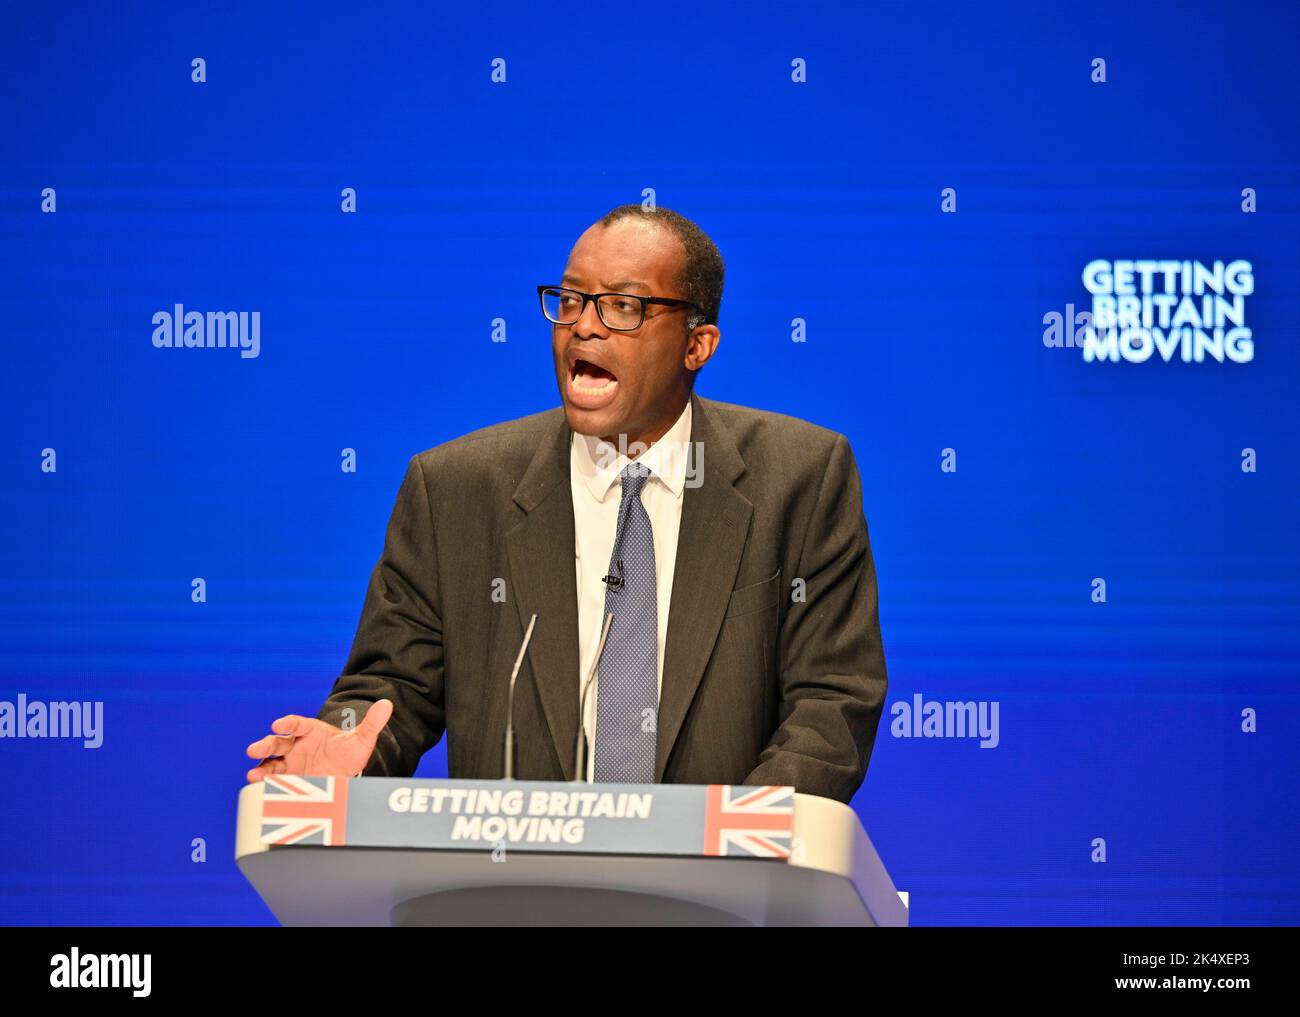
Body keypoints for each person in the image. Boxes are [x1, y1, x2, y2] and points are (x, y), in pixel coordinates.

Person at [244, 204, 888, 803]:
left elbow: (832, 704)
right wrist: (347, 746)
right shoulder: (455, 492)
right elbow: (391, 688)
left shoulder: (800, 478)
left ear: (699, 345)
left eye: (623, 307)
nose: (583, 325)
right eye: (572, 299)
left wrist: (731, 844)